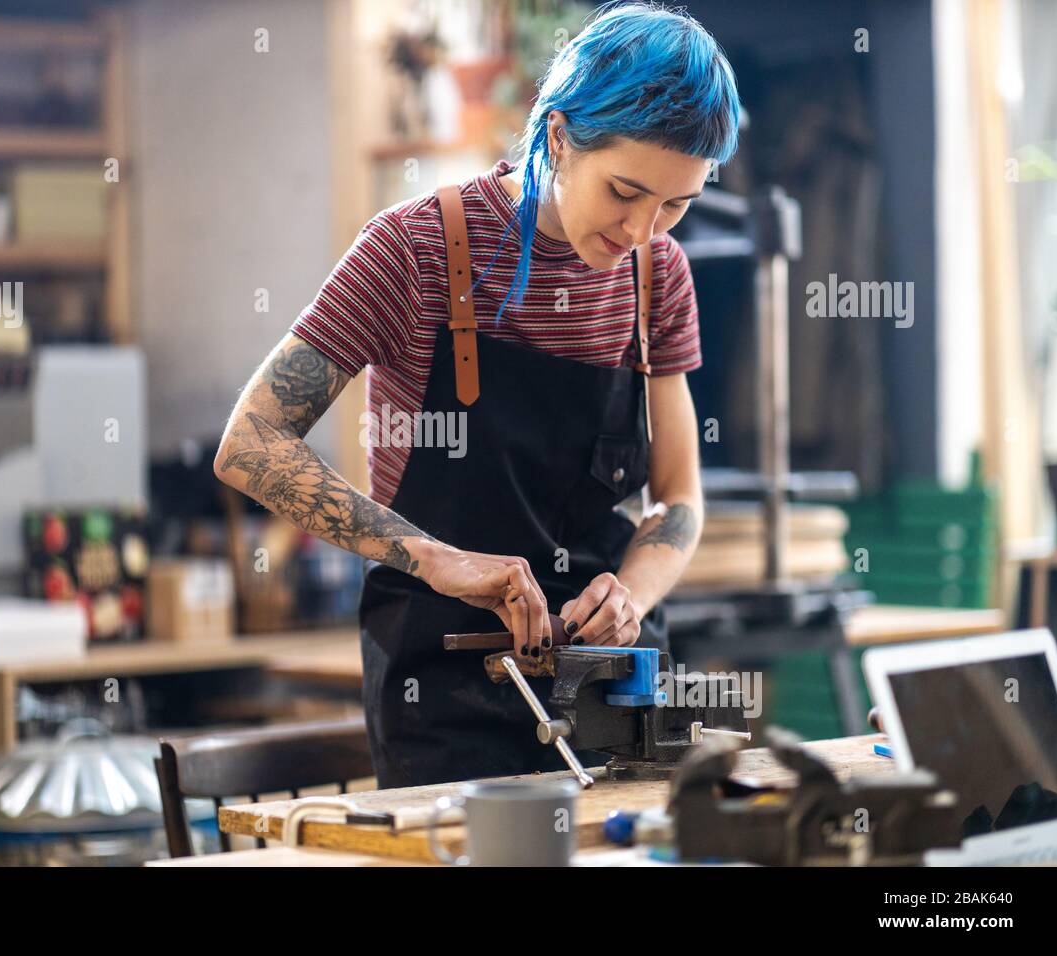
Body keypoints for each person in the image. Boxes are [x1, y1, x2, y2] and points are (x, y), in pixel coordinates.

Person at [216, 2, 741, 788]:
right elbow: (250, 444)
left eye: (675, 205)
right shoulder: (416, 250)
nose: (642, 229)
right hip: (446, 689)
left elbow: (678, 497)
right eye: (624, 191)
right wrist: (438, 560)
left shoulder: (657, 275)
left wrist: (632, 592)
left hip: (610, 682)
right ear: (559, 137)